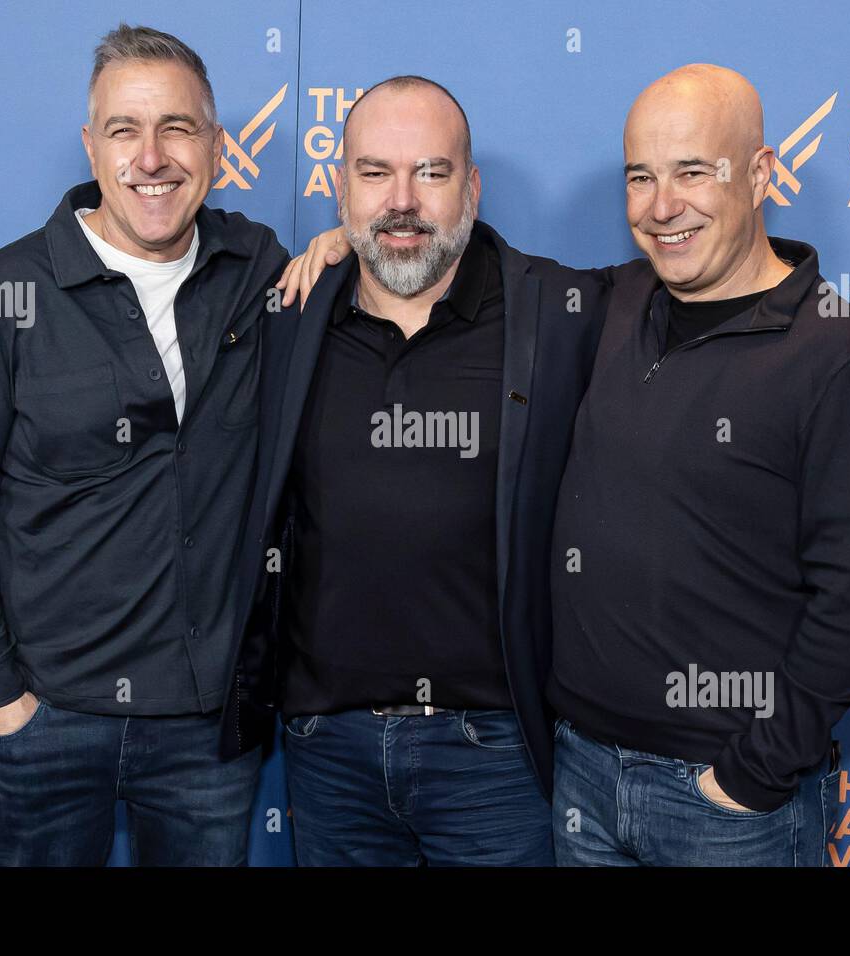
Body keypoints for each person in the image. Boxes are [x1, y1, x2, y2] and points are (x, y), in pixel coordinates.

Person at [0, 23, 293, 866]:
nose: (151, 156)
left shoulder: (258, 269)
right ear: (92, 146)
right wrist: (1, 696)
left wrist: (339, 246)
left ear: (217, 146)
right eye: (125, 130)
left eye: (177, 128)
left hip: (207, 728)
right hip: (48, 720)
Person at [547, 64, 850, 866]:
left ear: (760, 173)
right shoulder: (611, 303)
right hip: (579, 771)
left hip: (726, 808)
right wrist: (350, 243)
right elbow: (462, 276)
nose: (660, 206)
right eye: (640, 177)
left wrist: (752, 774)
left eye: (692, 172)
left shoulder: (845, 357)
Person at [257, 75, 609, 865]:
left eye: (432, 173)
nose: (403, 200)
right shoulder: (288, 315)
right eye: (375, 173)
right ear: (340, 188)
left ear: (472, 189)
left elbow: (699, 284)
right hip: (326, 751)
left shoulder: (559, 313)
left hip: (493, 756)